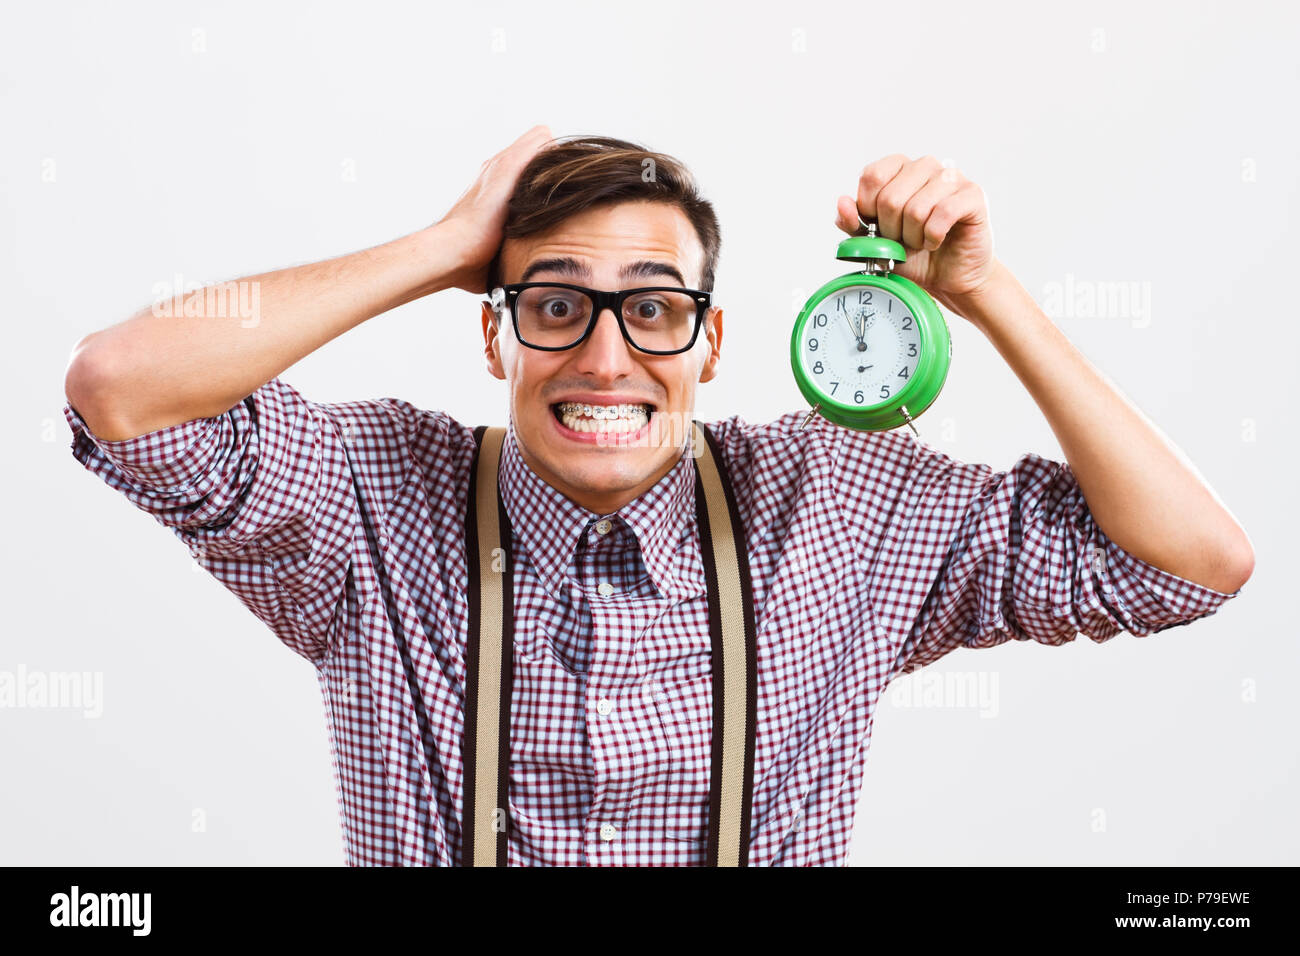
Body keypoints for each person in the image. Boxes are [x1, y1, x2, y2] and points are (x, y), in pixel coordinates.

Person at [61, 125, 1254, 866]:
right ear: (498, 336)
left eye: (654, 304)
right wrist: (443, 241)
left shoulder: (836, 502)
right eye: (554, 301)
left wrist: (987, 292)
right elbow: (120, 391)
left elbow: (1191, 559)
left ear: (713, 338)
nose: (605, 354)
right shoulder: (377, 497)